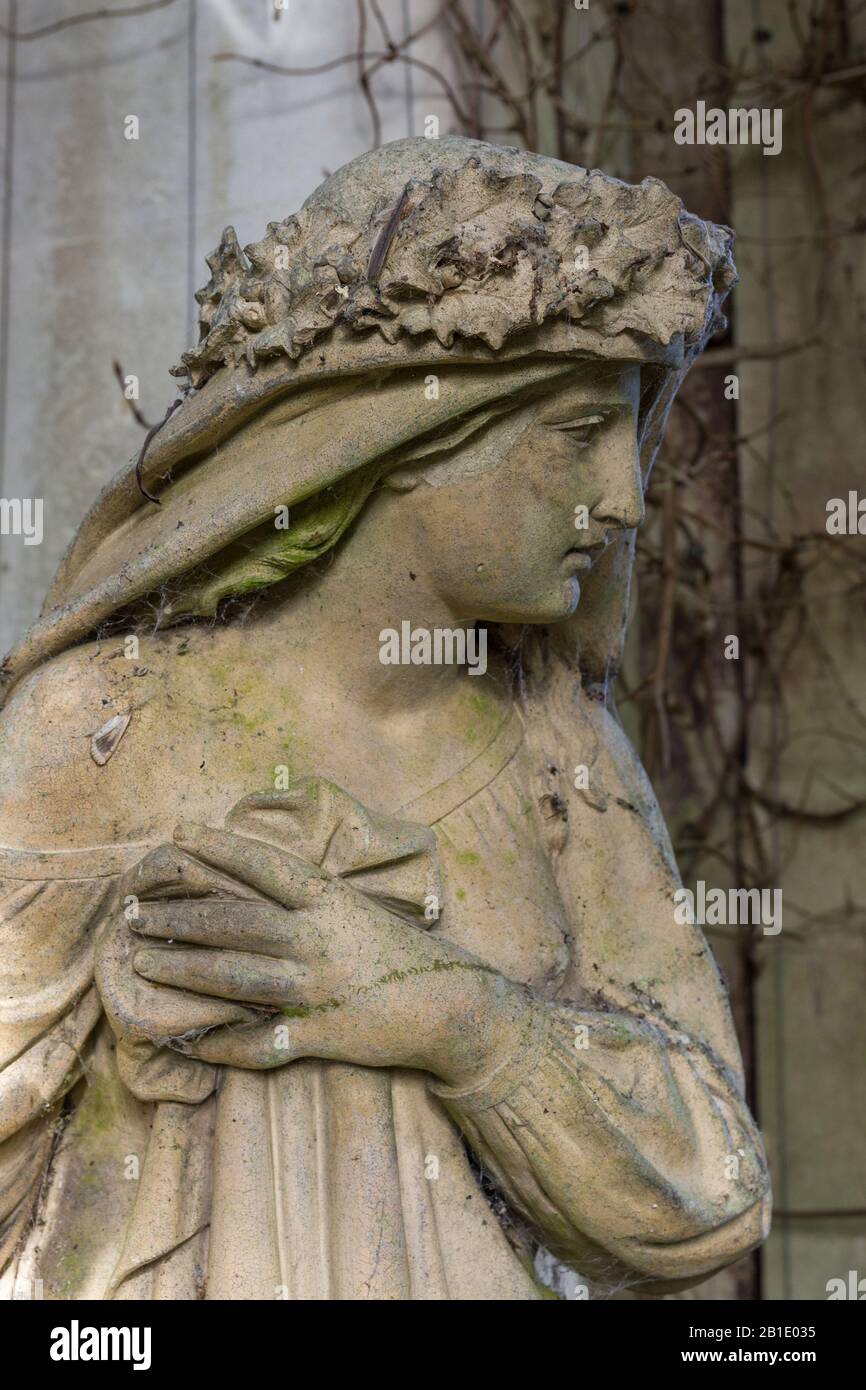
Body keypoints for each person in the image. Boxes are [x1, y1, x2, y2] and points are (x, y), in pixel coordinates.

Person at [0, 137, 769, 1300]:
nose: (621, 497)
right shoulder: (101, 726)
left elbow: (715, 1193)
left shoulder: (560, 758)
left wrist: (460, 1020)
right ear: (402, 439)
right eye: (573, 436)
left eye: (627, 433)